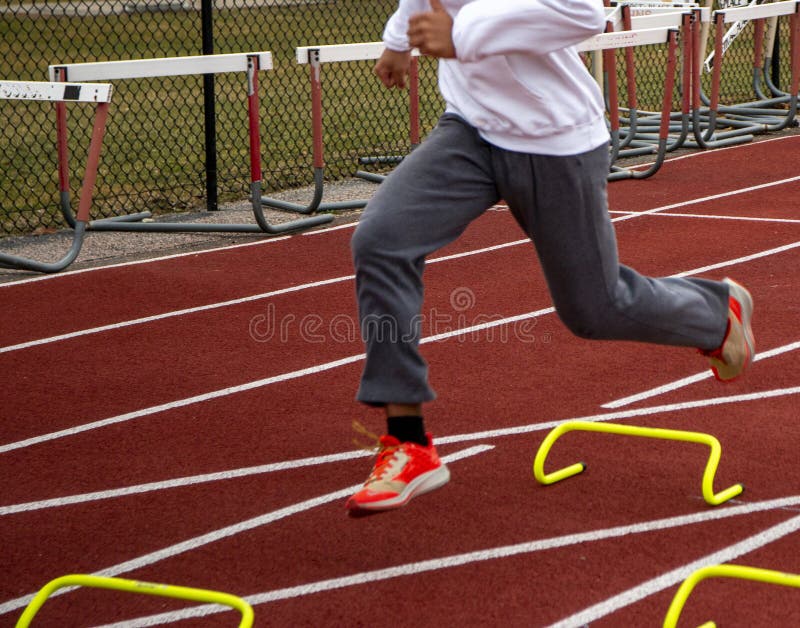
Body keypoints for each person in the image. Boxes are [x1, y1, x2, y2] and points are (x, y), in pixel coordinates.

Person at [345, 0, 755, 513]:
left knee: (593, 309)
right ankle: (408, 441)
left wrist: (465, 33)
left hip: (553, 138)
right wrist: (400, 38)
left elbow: (582, 13)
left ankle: (715, 313)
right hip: (470, 129)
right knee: (381, 240)